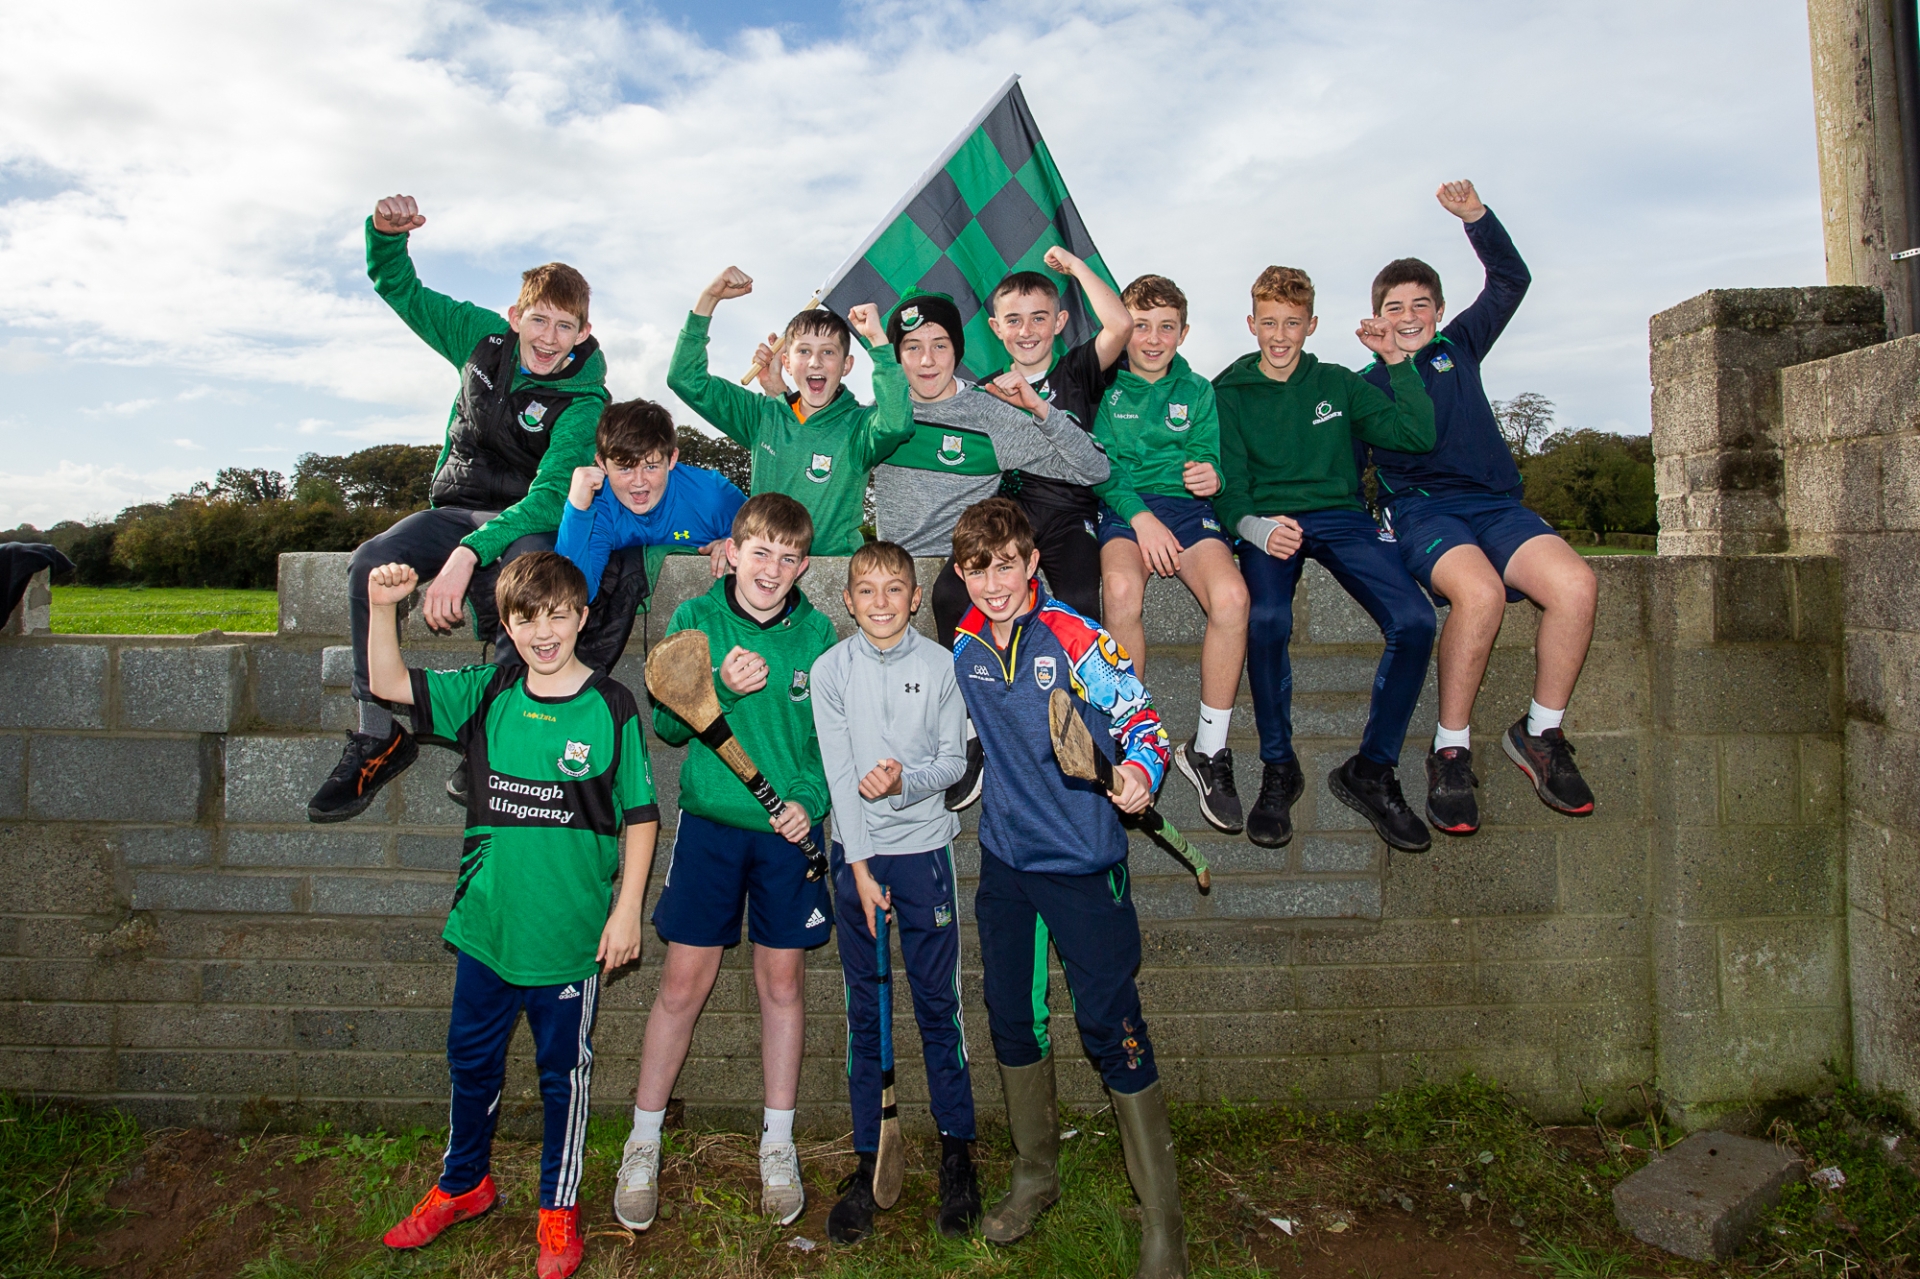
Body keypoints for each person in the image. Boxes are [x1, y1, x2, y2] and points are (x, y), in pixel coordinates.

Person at [367, 552, 658, 1279]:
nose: (545, 631)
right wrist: (381, 609)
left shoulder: (613, 705)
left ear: (582, 617)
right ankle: (464, 1182)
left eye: (560, 614)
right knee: (470, 1060)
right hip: (487, 931)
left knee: (563, 1074)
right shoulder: (490, 689)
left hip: (567, 939)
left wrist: (627, 911)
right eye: (528, 618)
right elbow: (389, 682)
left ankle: (558, 1208)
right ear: (508, 624)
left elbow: (643, 816)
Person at [308, 194, 611, 824]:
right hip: (454, 507)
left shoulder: (585, 399)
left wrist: (470, 554)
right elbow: (402, 290)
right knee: (370, 562)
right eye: (538, 320)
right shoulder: (480, 340)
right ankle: (376, 734)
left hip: (526, 521)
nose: (548, 339)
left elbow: (552, 496)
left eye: (564, 327)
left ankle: (491, 735)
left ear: (583, 332)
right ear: (515, 316)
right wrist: (386, 237)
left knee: (525, 583)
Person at [947, 497, 1187, 1279]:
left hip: (1083, 865)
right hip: (1008, 867)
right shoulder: (965, 646)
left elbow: (1145, 724)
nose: (995, 583)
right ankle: (1035, 1176)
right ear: (962, 573)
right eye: (978, 569)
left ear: (1032, 562)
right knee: (1013, 1021)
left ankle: (1163, 1223)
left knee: (1111, 1025)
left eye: (1008, 564)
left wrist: (1140, 776)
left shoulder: (1078, 639)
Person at [614, 494, 837, 1233]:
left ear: (803, 563)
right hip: (711, 824)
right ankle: (642, 1141)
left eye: (788, 555)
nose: (772, 568)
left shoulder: (817, 633)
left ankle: (778, 1142)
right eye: (759, 551)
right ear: (732, 550)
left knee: (783, 981)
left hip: (783, 835)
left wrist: (808, 799)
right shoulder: (696, 620)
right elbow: (674, 726)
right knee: (682, 981)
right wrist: (724, 691)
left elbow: (824, 748)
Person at [1361, 180, 1597, 835]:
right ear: (1376, 315)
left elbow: (1509, 279)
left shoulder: (1456, 349)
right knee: (1482, 595)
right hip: (1425, 513)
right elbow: (1349, 473)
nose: (1408, 315)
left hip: (1496, 507)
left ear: (1437, 311)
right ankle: (1450, 748)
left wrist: (1477, 219)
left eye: (1420, 304)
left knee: (1576, 584)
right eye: (1394, 305)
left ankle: (1541, 733)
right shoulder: (1367, 387)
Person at [1213, 266, 1438, 853]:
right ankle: (1279, 766)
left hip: (1341, 518)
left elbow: (1414, 435)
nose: (1280, 335)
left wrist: (1396, 362)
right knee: (1265, 622)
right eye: (1269, 323)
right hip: (1269, 522)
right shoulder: (1227, 392)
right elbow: (1229, 487)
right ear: (1251, 324)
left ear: (1312, 325)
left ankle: (1373, 768)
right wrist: (1257, 529)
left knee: (1415, 621)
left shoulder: (1337, 383)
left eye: (1292, 323)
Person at [810, 541, 978, 1244]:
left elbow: (952, 760)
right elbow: (837, 766)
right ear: (847, 601)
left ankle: (957, 1153)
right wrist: (856, 864)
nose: (881, 603)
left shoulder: (942, 665)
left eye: (895, 590)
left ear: (915, 597)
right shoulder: (829, 670)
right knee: (865, 1008)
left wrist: (903, 780)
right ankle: (866, 1154)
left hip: (924, 854)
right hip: (858, 859)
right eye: (866, 591)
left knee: (938, 1004)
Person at [1092, 274, 1249, 833]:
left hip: (1186, 510)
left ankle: (1207, 748)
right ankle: (1129, 738)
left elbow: (1209, 459)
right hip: (1127, 506)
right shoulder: (1106, 390)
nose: (1153, 339)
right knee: (1121, 590)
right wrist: (1143, 521)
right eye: (1141, 326)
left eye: (1166, 327)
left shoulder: (1199, 390)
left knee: (1231, 597)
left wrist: (1212, 474)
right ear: (1124, 329)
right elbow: (1102, 471)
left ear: (1184, 332)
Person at [868, 292, 1111, 646]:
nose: (926, 360)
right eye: (912, 347)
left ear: (957, 351)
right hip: (896, 571)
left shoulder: (989, 413)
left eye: (940, 345)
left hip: (964, 572)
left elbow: (1094, 469)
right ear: (896, 355)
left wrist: (1042, 411)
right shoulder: (883, 415)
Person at [671, 269, 910, 554]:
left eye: (829, 352)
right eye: (804, 351)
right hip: (764, 572)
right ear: (786, 362)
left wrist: (878, 344)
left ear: (847, 366)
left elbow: (897, 424)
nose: (815, 362)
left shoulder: (859, 426)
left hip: (831, 576)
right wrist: (708, 299)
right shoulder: (762, 416)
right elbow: (685, 380)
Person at [986, 248, 1132, 621]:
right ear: (996, 327)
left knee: (1081, 600)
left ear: (1059, 321)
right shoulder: (987, 390)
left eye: (1039, 318)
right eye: (1013, 320)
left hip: (1071, 512)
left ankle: (1077, 681)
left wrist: (1076, 267)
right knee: (951, 592)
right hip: (1011, 511)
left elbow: (1120, 326)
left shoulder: (1078, 370)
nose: (1026, 331)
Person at [553, 397, 745, 669]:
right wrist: (576, 508)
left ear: (672, 459)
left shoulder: (711, 496)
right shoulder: (599, 506)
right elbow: (573, 595)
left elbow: (766, 531)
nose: (639, 482)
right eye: (624, 468)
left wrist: (735, 543)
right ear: (601, 464)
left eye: (651, 466)